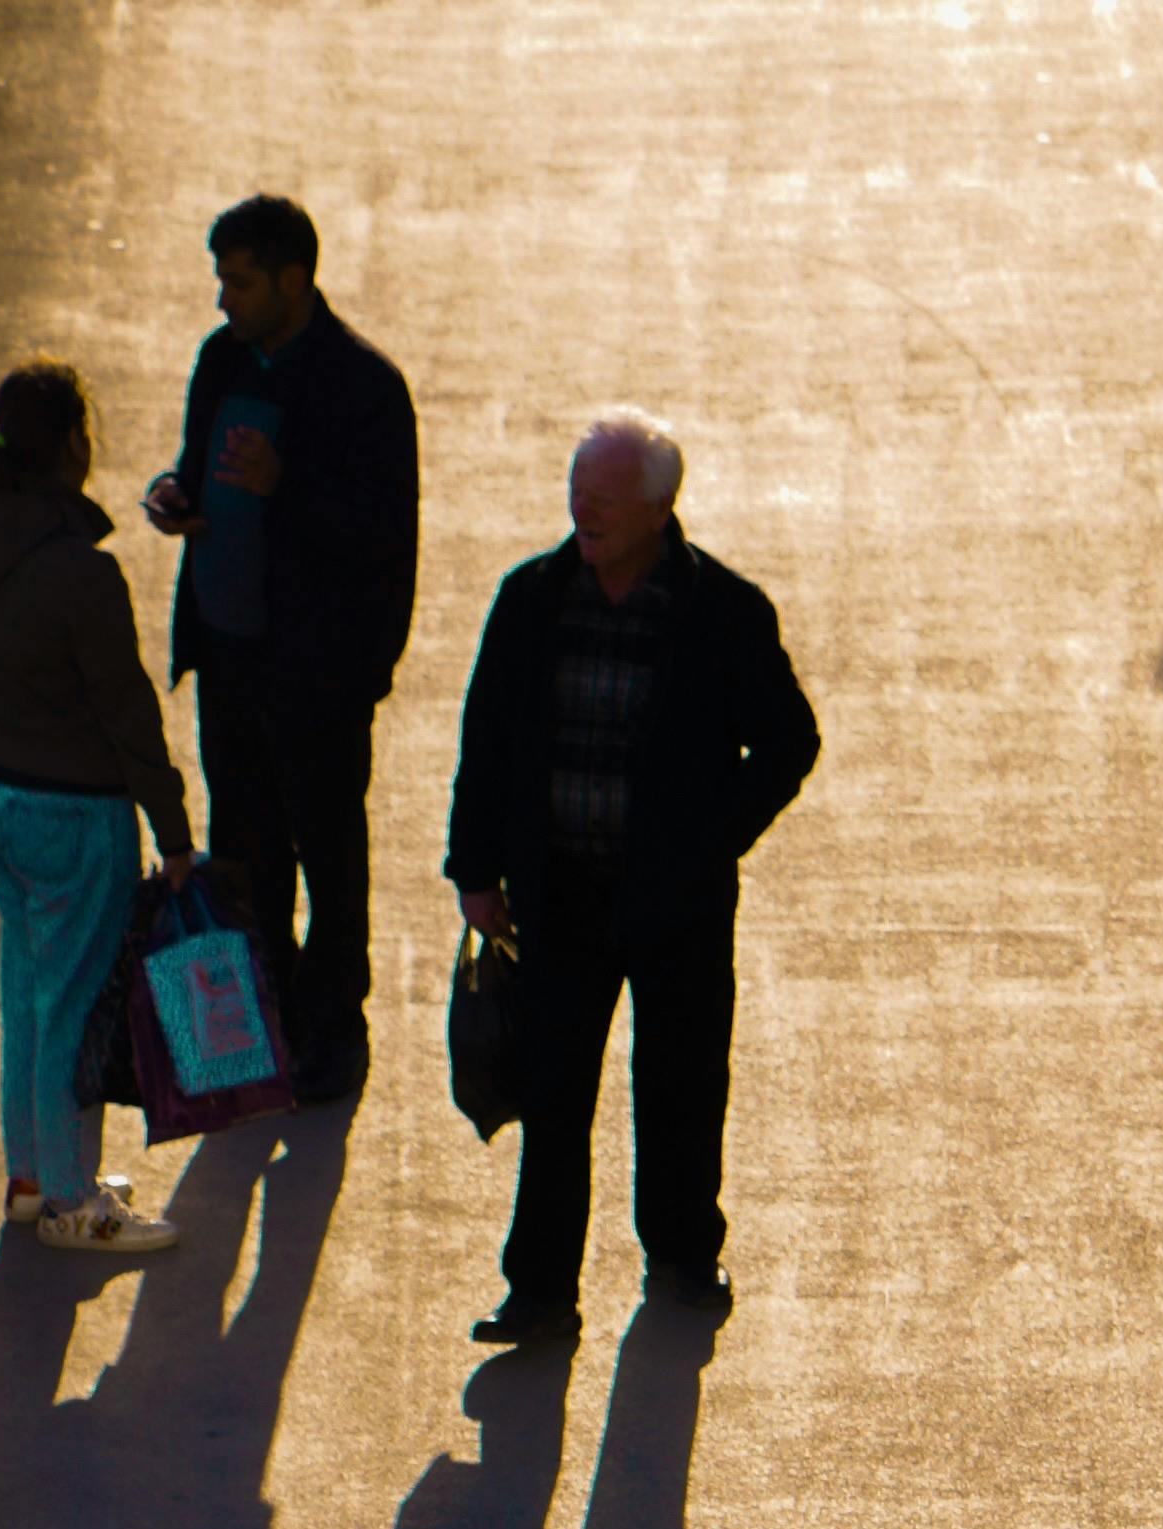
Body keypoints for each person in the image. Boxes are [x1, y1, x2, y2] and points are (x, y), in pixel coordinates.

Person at [447, 414, 819, 1346]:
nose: (584, 511)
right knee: (555, 1091)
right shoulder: (531, 598)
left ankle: (685, 1255)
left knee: (683, 1083)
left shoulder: (723, 611)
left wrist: (713, 839)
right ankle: (538, 1292)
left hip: (676, 904)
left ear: (660, 508)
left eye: (604, 499)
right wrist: (475, 869)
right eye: (577, 491)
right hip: (559, 893)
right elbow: (485, 737)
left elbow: (789, 740)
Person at [144, 191, 418, 1104]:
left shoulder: (363, 388)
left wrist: (285, 483)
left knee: (329, 855)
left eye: (241, 281)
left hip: (317, 675)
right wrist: (175, 496)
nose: (225, 300)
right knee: (246, 853)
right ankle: (258, 1032)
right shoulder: (221, 360)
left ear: (295, 279)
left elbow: (383, 534)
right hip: (229, 658)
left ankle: (332, 1032)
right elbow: (197, 462)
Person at [0, 363, 194, 1259]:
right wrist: (175, 829)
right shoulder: (83, 573)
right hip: (76, 814)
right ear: (75, 445)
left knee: (27, 996)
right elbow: (127, 713)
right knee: (75, 1010)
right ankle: (75, 1207)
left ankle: (32, 1178)